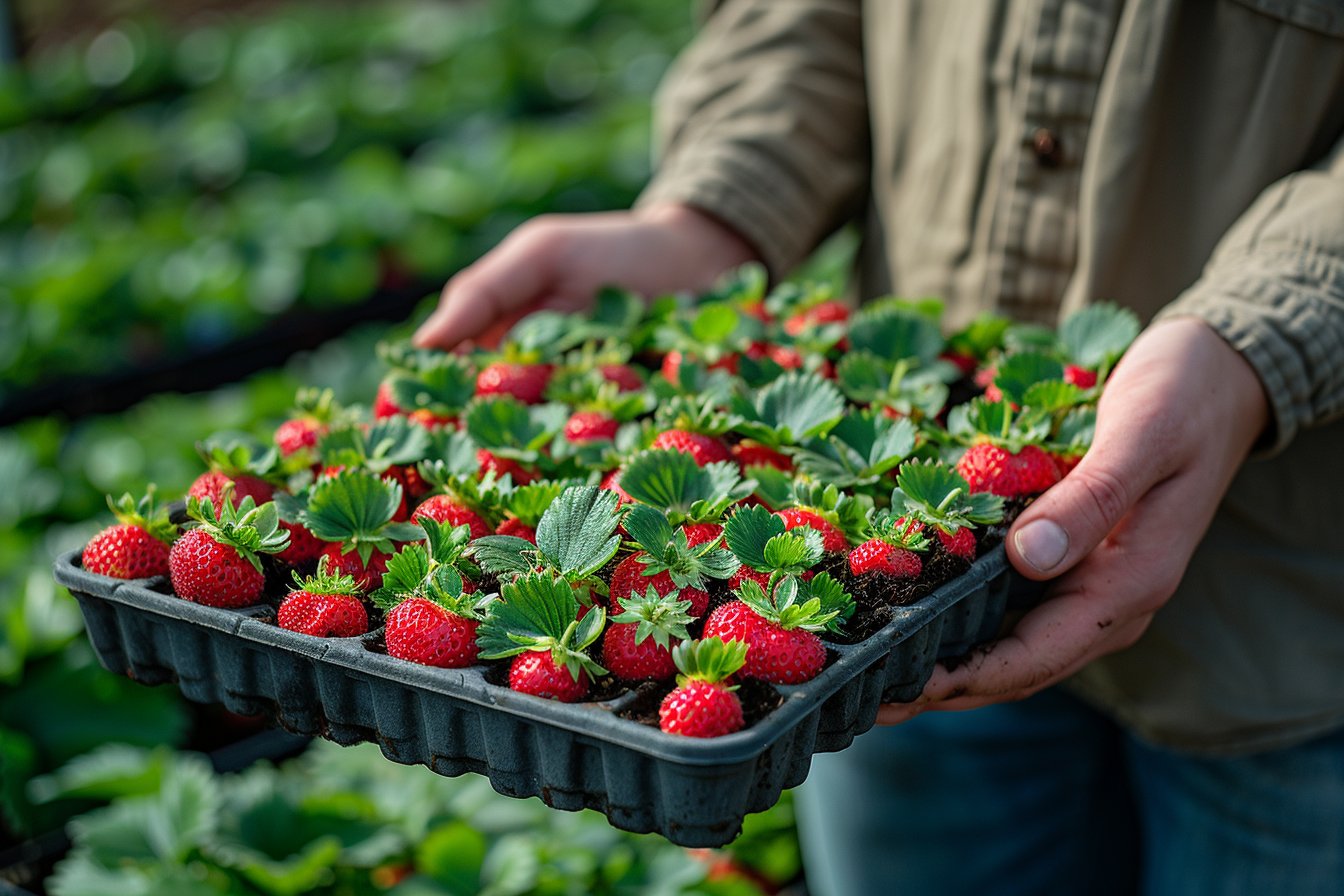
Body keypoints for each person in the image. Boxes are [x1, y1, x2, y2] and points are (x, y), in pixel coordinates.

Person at [414, 3, 1344, 893]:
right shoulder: (826, 574)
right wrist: (714, 213)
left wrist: (1260, 343)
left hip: (1290, 609)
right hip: (900, 638)